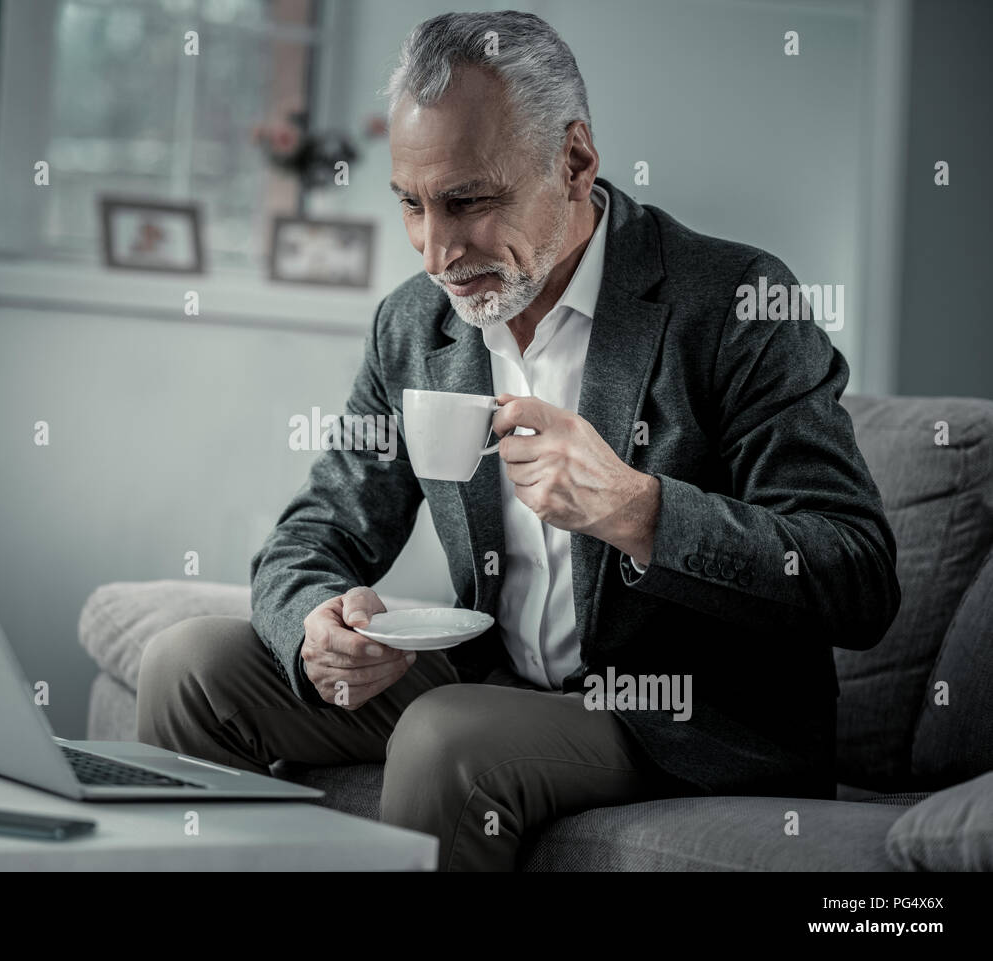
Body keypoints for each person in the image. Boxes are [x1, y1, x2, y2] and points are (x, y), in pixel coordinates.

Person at [137, 9, 900, 871]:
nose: (436, 252)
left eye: (468, 201)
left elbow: (857, 577)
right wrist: (316, 619)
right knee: (187, 665)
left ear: (574, 162)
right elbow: (318, 528)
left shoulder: (736, 303)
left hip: (681, 714)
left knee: (445, 735)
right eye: (412, 205)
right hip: (496, 681)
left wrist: (640, 511)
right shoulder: (414, 325)